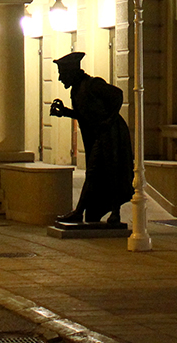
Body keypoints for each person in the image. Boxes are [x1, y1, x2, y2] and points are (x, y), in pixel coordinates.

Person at [49, 51, 133, 224]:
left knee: (108, 171)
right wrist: (65, 112)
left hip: (111, 133)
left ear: (71, 72)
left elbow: (117, 95)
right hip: (100, 134)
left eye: (62, 74)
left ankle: (107, 212)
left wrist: (108, 121)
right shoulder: (76, 90)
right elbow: (85, 116)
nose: (60, 78)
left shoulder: (92, 85)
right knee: (97, 173)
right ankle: (86, 212)